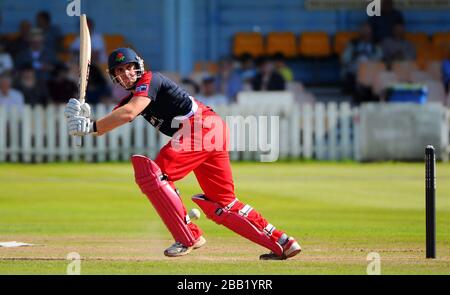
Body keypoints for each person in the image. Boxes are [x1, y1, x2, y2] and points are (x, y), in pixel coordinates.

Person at [63, 48, 301, 260]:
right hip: (211, 129)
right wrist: (86, 121)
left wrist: (91, 126)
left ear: (139, 67)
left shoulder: (150, 80)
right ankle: (283, 243)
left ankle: (188, 237)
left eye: (129, 68)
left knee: (154, 175)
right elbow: (110, 123)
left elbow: (128, 113)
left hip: (201, 127)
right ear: (114, 76)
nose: (126, 74)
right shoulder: (134, 96)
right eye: (120, 71)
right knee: (222, 204)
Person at [341, 22, 382, 94]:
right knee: (361, 60)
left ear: (371, 33)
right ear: (360, 32)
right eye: (364, 31)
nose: (365, 34)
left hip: (370, 72)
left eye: (368, 32)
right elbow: (344, 60)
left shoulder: (375, 45)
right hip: (354, 72)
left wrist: (368, 58)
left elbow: (379, 60)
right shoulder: (353, 44)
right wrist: (353, 55)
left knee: (364, 60)